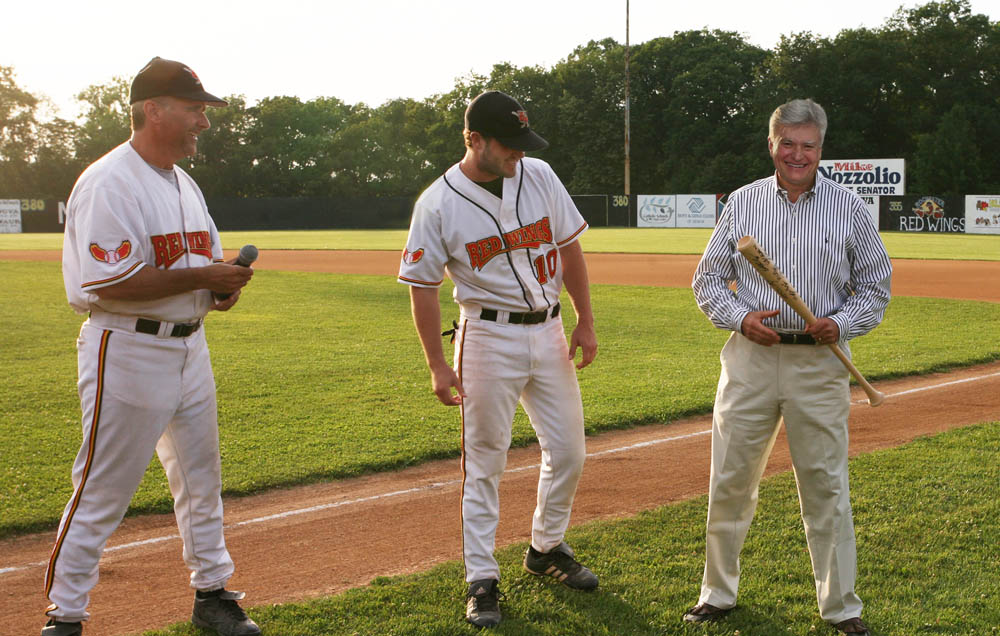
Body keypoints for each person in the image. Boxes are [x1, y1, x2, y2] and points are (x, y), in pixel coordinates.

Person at [42, 57, 259, 636]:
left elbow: (200, 267)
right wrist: (201, 279)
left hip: (190, 349)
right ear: (152, 110)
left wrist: (222, 287)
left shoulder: (184, 183)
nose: (203, 123)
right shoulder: (109, 180)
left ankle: (213, 594)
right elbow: (109, 282)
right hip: (128, 350)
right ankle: (64, 616)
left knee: (200, 480)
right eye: (194, 109)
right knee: (103, 487)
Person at [688, 98, 892, 635]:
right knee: (730, 480)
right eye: (787, 143)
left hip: (819, 362)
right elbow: (708, 280)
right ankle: (717, 594)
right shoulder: (743, 202)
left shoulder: (850, 208)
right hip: (751, 360)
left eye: (808, 145)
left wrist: (841, 323)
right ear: (772, 144)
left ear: (821, 149)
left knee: (825, 487)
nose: (797, 154)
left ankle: (841, 607)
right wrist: (739, 318)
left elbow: (874, 289)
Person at [399, 90, 599, 628]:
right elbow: (422, 288)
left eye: (520, 143)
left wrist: (585, 318)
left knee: (570, 450)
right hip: (487, 338)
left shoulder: (539, 174)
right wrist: (437, 365)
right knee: (485, 461)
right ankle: (480, 578)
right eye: (506, 145)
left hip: (551, 328)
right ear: (473, 140)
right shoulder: (437, 203)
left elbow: (569, 247)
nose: (517, 153)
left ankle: (546, 546)